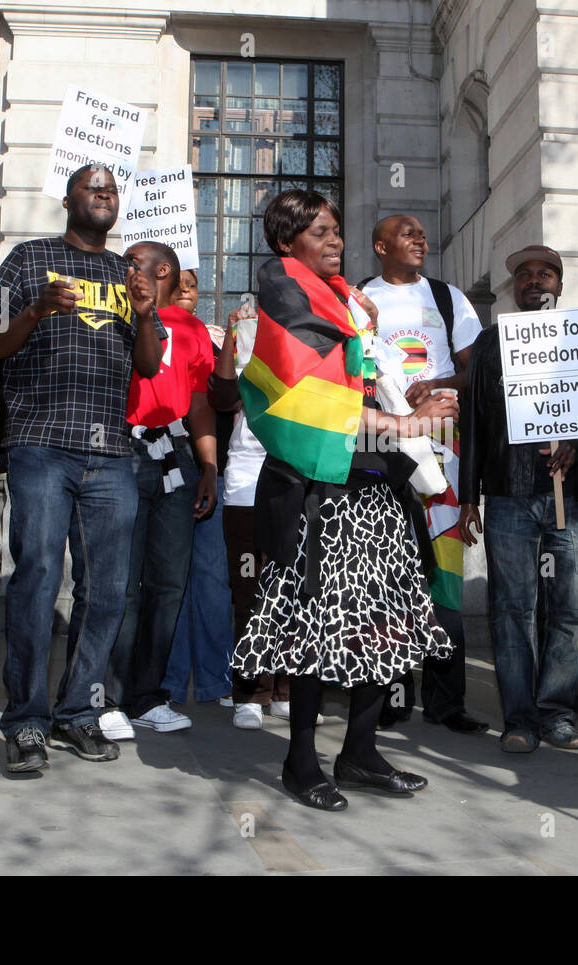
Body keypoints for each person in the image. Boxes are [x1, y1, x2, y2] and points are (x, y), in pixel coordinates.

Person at [233, 189, 455, 810]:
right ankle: (300, 760)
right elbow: (306, 406)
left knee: (381, 625)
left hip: (373, 486)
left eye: (337, 231)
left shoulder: (345, 304)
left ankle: (360, 750)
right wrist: (407, 426)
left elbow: (364, 386)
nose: (335, 242)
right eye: (320, 232)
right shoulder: (282, 296)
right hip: (319, 491)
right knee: (315, 626)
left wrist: (411, 404)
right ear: (286, 243)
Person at [0, 163, 165, 774]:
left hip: (112, 453)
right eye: (93, 186)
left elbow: (148, 366)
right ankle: (26, 721)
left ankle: (78, 714)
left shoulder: (128, 274)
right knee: (34, 579)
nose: (105, 194)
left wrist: (144, 313)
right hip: (40, 444)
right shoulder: (29, 258)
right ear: (68, 198)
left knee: (108, 591)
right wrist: (37, 310)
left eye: (112, 188)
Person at [459, 244, 578, 753]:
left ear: (560, 285)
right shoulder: (489, 345)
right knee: (511, 609)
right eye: (524, 274)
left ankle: (557, 715)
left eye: (544, 273)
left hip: (565, 496)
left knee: (566, 608)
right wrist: (469, 497)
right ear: (514, 288)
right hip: (506, 495)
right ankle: (520, 719)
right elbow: (475, 424)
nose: (534, 281)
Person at [359, 214, 488, 734]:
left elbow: (477, 368)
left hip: (445, 454)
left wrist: (435, 382)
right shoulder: (358, 298)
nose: (419, 238)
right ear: (379, 245)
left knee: (445, 580)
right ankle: (389, 699)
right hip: (383, 450)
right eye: (406, 233)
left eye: (422, 233)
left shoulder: (448, 297)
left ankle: (445, 702)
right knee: (387, 575)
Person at [99, 250, 217, 739]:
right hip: (122, 451)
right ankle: (108, 697)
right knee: (121, 585)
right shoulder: (112, 315)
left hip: (176, 458)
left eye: (135, 260)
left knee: (168, 584)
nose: (126, 267)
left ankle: (149, 696)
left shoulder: (191, 329)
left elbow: (199, 404)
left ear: (163, 271)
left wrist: (208, 465)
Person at [211, 300, 291, 729]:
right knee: (248, 590)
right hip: (245, 482)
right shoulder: (245, 339)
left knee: (294, 591)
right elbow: (222, 398)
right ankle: (249, 691)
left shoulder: (307, 342)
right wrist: (230, 337)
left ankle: (285, 688)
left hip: (296, 481)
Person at [163, 273, 235, 711]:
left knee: (212, 579)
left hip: (215, 469)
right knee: (168, 581)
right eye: (177, 281)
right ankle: (167, 683)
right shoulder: (141, 330)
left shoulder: (215, 339)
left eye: (193, 281)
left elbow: (218, 401)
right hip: (160, 467)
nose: (187, 288)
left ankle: (215, 680)